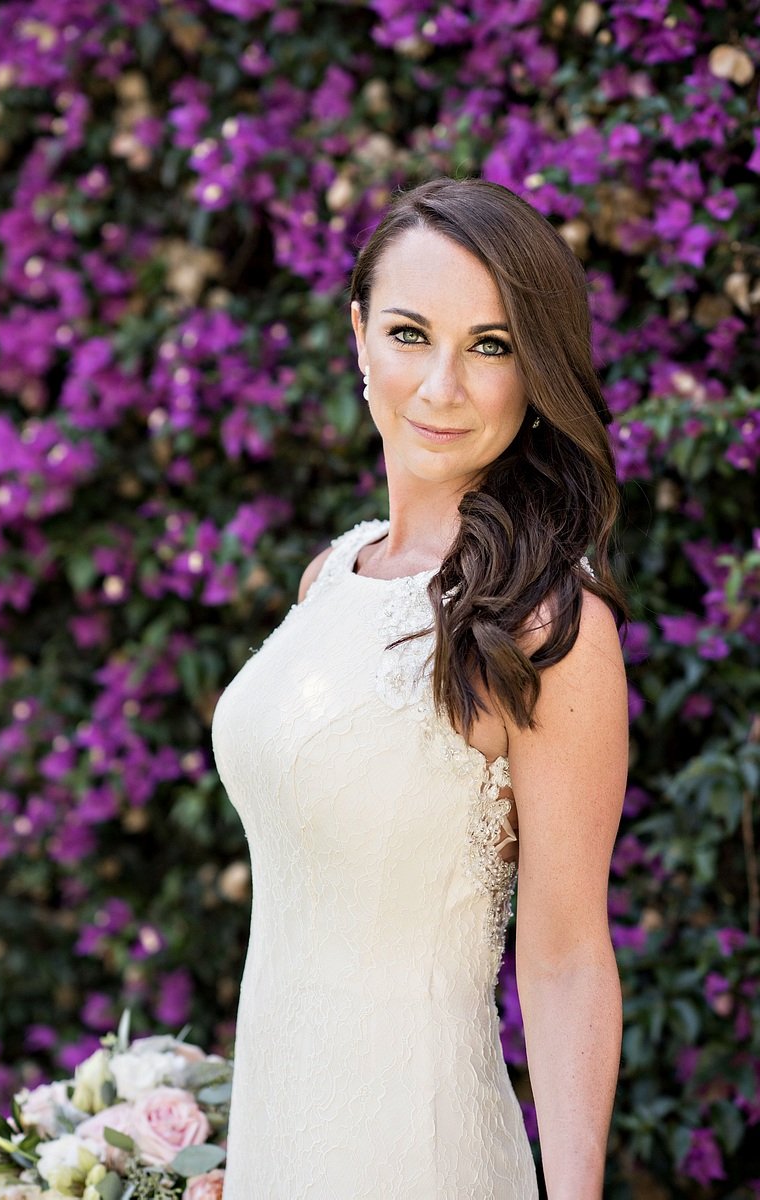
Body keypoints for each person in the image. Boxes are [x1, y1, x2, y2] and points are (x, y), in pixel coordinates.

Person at [211, 176, 629, 1200]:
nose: (443, 385)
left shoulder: (548, 624)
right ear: (358, 336)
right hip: (279, 1140)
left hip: (417, 1153)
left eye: (490, 346)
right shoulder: (330, 575)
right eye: (409, 334)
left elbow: (567, 955)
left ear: (534, 373)